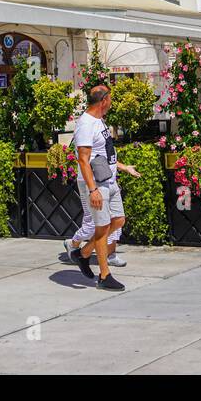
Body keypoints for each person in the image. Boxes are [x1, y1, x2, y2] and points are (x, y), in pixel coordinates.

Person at [70, 85, 126, 291]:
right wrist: (93, 190)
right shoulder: (85, 124)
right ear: (103, 101)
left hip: (108, 180)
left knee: (119, 220)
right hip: (95, 183)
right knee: (102, 229)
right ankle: (104, 276)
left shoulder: (98, 120)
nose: (112, 102)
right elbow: (83, 160)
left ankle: (83, 254)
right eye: (110, 98)